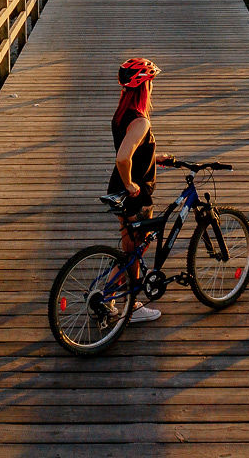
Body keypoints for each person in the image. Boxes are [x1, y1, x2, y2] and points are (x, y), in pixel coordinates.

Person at [109, 57, 172, 323]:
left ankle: (108, 296)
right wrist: (132, 185)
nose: (153, 88)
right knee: (136, 250)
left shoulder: (122, 114)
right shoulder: (141, 122)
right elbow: (123, 158)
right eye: (151, 83)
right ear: (143, 87)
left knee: (129, 250)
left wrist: (155, 158)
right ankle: (131, 306)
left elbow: (131, 151)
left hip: (117, 192)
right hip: (135, 197)